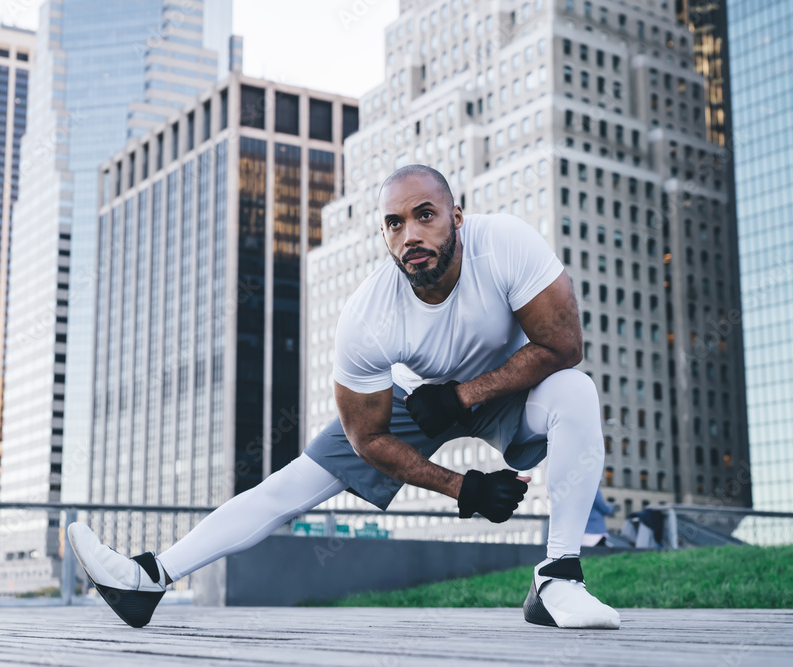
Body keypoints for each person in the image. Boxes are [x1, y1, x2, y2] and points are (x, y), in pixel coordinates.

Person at [68, 164, 621, 630]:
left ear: (457, 216)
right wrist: (465, 488)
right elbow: (366, 437)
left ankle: (558, 577)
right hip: (413, 403)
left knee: (576, 390)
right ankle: (148, 579)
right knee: (289, 485)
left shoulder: (505, 244)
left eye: (424, 215)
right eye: (394, 223)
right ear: (384, 235)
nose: (410, 234)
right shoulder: (367, 316)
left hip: (508, 387)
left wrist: (465, 395)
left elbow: (564, 345)